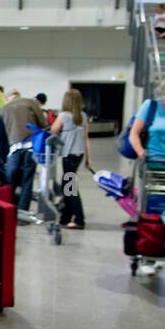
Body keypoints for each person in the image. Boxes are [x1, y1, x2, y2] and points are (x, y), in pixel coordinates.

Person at [50, 88, 92, 230]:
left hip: (68, 154)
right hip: (78, 154)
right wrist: (88, 158)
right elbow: (86, 139)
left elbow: (53, 130)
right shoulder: (83, 116)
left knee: (70, 187)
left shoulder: (63, 115)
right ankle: (65, 217)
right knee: (67, 185)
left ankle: (79, 219)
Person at [0, 90, 48, 212]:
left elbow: (2, 130)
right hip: (32, 147)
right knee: (27, 179)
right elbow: (43, 124)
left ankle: (8, 208)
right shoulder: (32, 103)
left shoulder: (5, 108)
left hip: (13, 147)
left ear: (8, 97)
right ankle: (23, 212)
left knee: (10, 178)